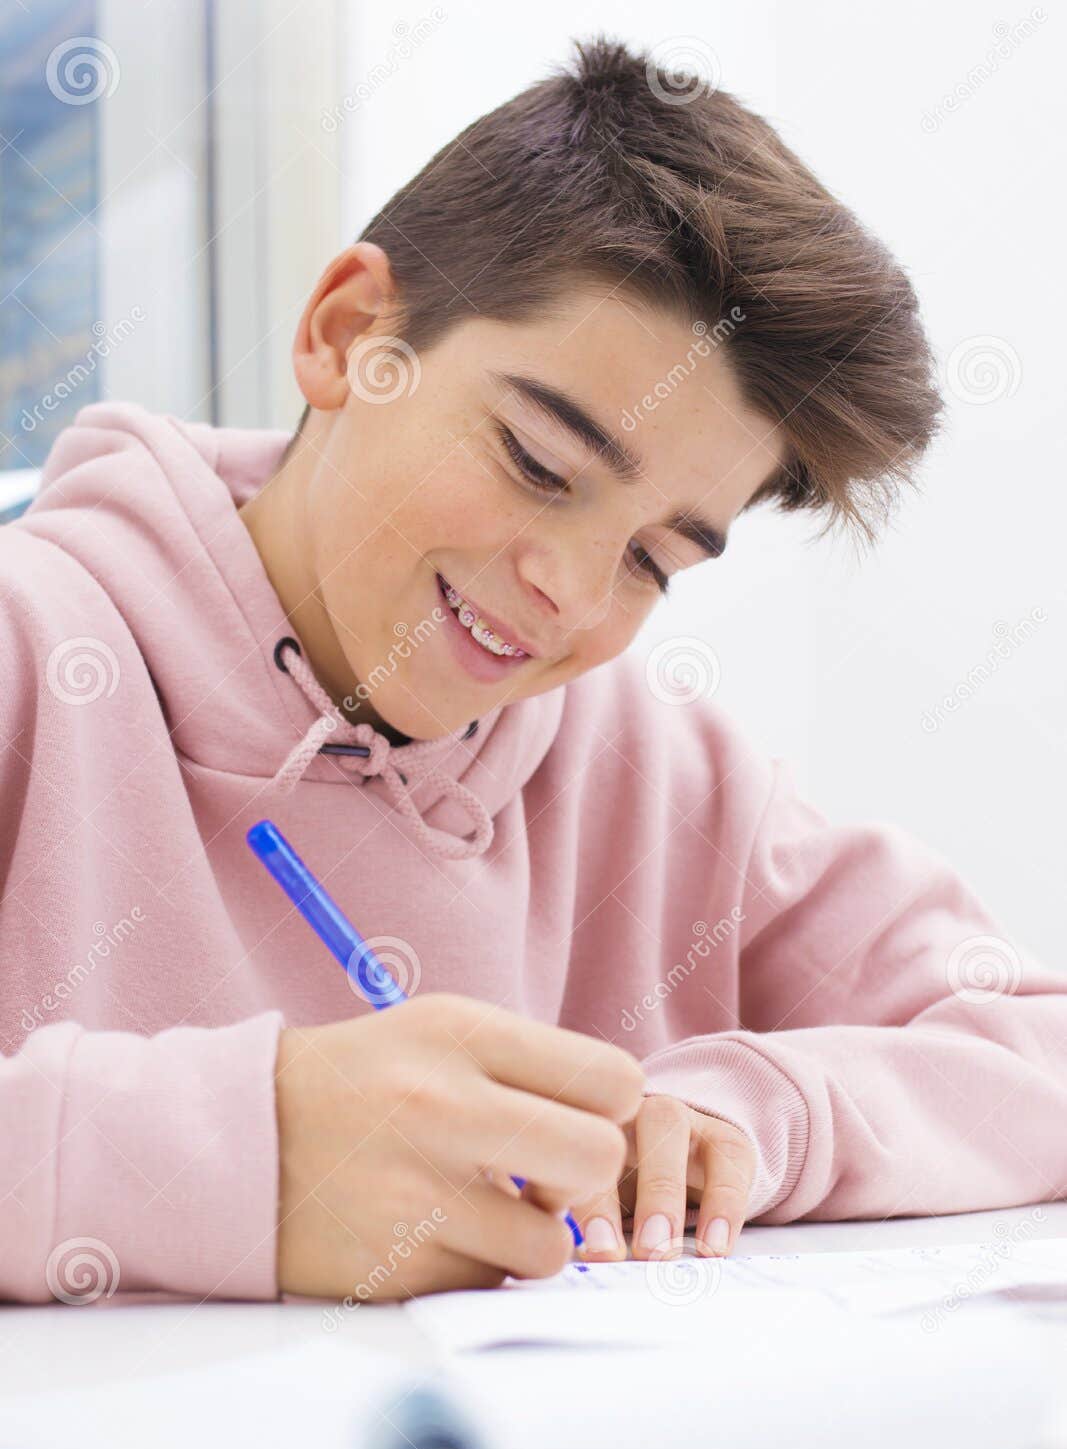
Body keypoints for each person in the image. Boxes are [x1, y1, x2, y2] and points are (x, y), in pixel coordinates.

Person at [2, 36, 1064, 1307]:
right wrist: (236, 1158)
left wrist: (751, 1111)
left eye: (653, 559)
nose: (567, 590)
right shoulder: (35, 658)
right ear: (348, 333)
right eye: (537, 464)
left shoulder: (649, 769)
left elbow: (1036, 1048)